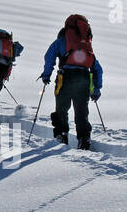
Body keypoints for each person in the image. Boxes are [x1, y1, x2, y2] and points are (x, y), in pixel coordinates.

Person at [41, 14, 103, 149]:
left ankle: (61, 135)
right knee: (81, 111)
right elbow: (97, 69)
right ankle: (84, 139)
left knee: (62, 108)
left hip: (65, 79)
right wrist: (97, 88)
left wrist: (46, 75)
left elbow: (49, 56)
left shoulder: (62, 40)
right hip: (84, 79)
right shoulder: (86, 45)